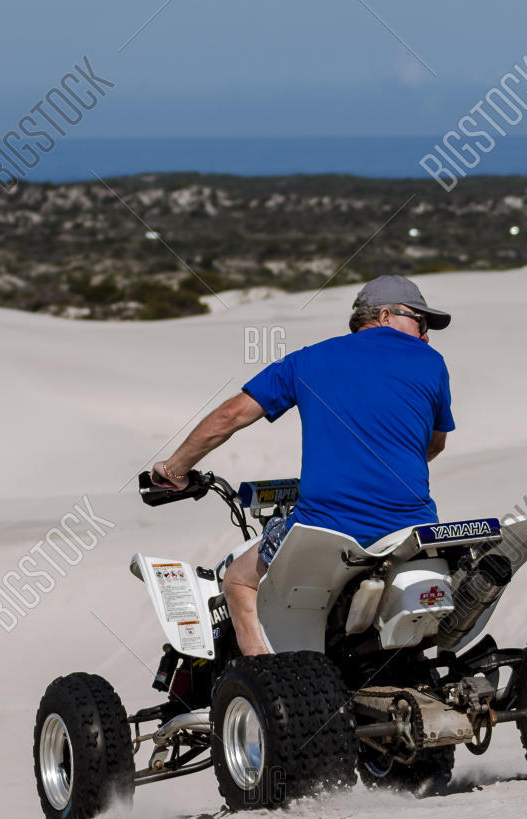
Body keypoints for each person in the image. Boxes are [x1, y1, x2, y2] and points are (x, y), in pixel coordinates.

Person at [151, 274, 455, 656]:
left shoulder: (308, 360)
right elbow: (435, 444)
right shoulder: (432, 363)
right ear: (385, 315)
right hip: (411, 529)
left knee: (236, 583)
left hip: (325, 528)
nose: (426, 335)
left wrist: (174, 470)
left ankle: (265, 690)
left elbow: (230, 417)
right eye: (421, 323)